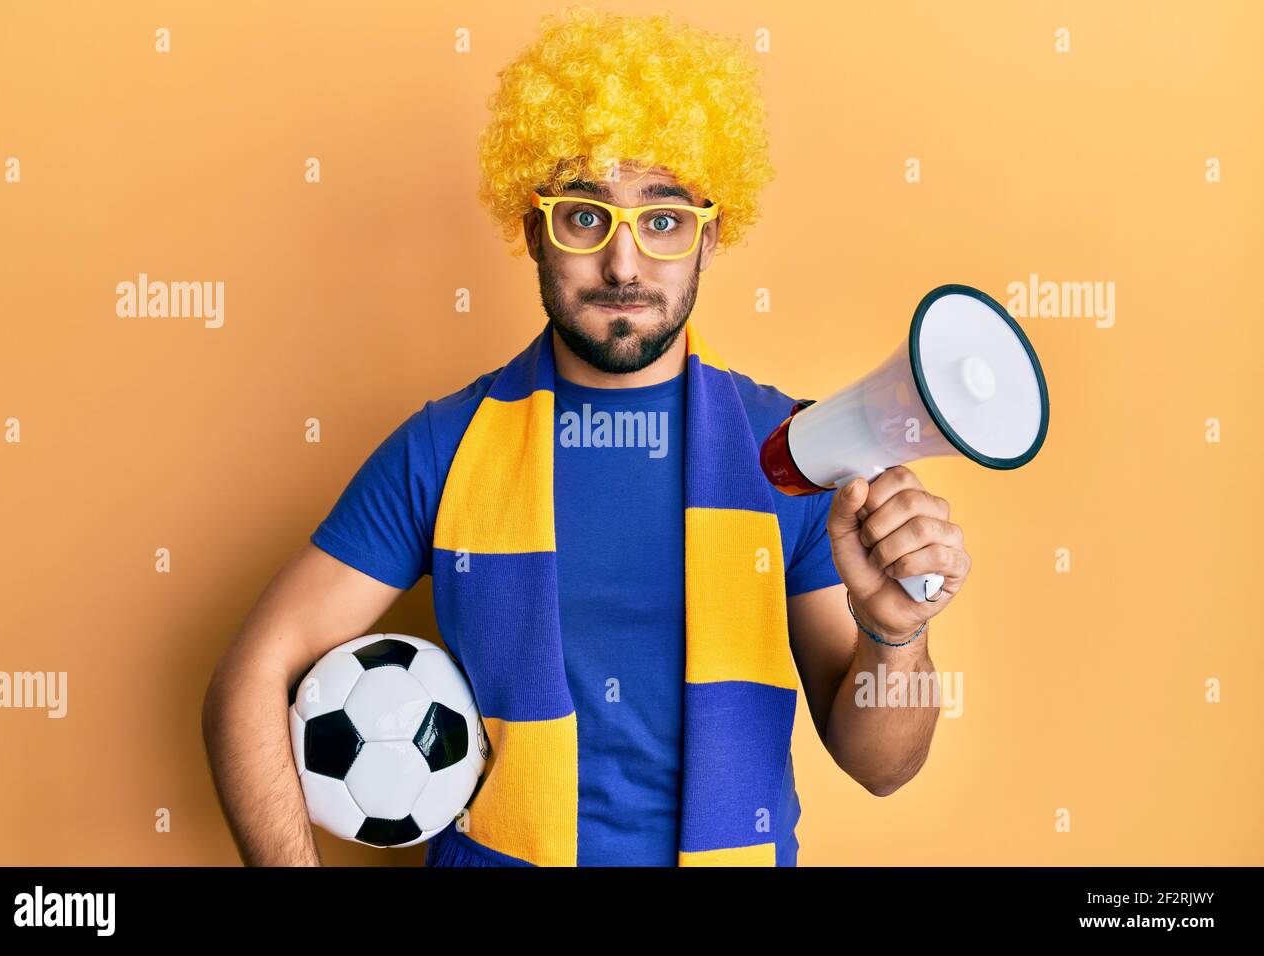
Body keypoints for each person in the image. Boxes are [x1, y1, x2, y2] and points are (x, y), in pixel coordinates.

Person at [202, 6, 971, 867]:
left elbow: (883, 767)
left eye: (664, 219)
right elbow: (251, 676)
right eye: (584, 215)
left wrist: (895, 634)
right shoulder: (442, 448)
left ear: (709, 239)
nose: (624, 263)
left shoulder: (793, 454)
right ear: (534, 231)